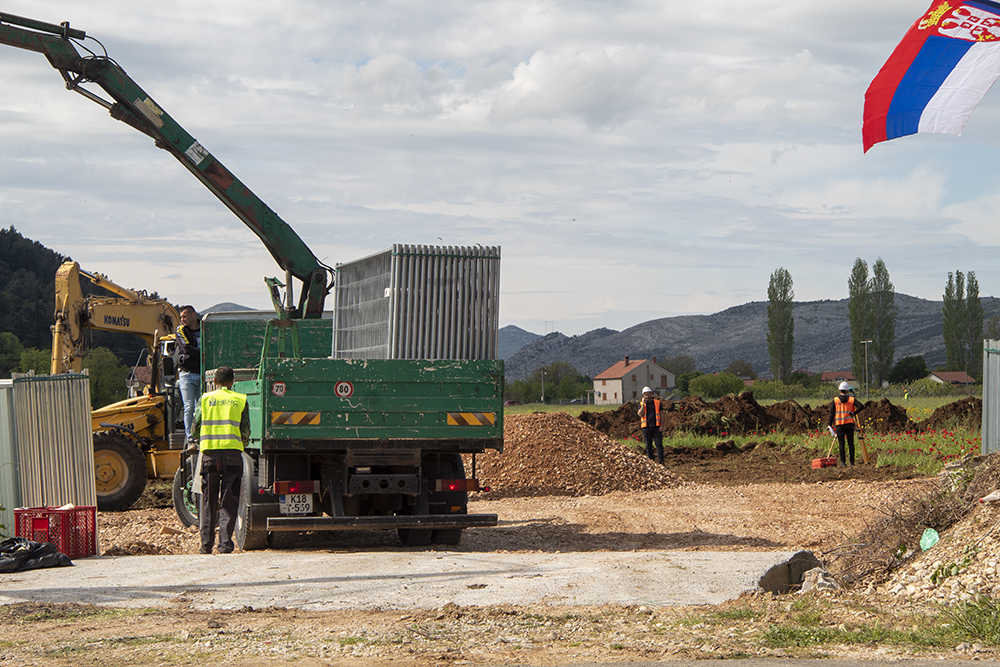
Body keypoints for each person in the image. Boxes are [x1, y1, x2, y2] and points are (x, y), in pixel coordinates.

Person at [192, 366, 250, 554]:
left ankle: (205, 546)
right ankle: (225, 545)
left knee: (209, 501)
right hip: (233, 456)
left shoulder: (205, 399)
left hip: (210, 457)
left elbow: (195, 427)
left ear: (215, 382)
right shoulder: (240, 400)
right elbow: (245, 431)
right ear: (233, 382)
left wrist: (198, 440)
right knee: (229, 500)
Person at [175, 305, 201, 442]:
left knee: (201, 407)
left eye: (184, 316)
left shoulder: (205, 327)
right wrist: (204, 353)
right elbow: (186, 348)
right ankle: (190, 436)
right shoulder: (180, 330)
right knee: (189, 406)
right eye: (181, 317)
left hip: (202, 374)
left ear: (193, 315)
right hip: (187, 374)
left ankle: (200, 433)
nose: (182, 319)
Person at [828, 381, 865, 467]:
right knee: (850, 443)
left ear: (839, 390)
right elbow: (861, 406)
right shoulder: (852, 399)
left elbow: (831, 413)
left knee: (841, 444)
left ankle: (843, 463)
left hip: (839, 425)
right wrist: (854, 413)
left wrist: (829, 424)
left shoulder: (836, 400)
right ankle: (852, 462)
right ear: (847, 391)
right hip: (849, 424)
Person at [637, 386, 664, 464]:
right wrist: (643, 405)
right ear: (643, 395)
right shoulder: (641, 404)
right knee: (648, 445)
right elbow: (640, 414)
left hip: (656, 427)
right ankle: (651, 462)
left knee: (659, 445)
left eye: (648, 394)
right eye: (645, 395)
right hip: (646, 428)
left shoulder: (657, 403)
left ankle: (661, 462)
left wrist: (661, 426)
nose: (647, 396)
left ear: (651, 394)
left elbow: (662, 414)